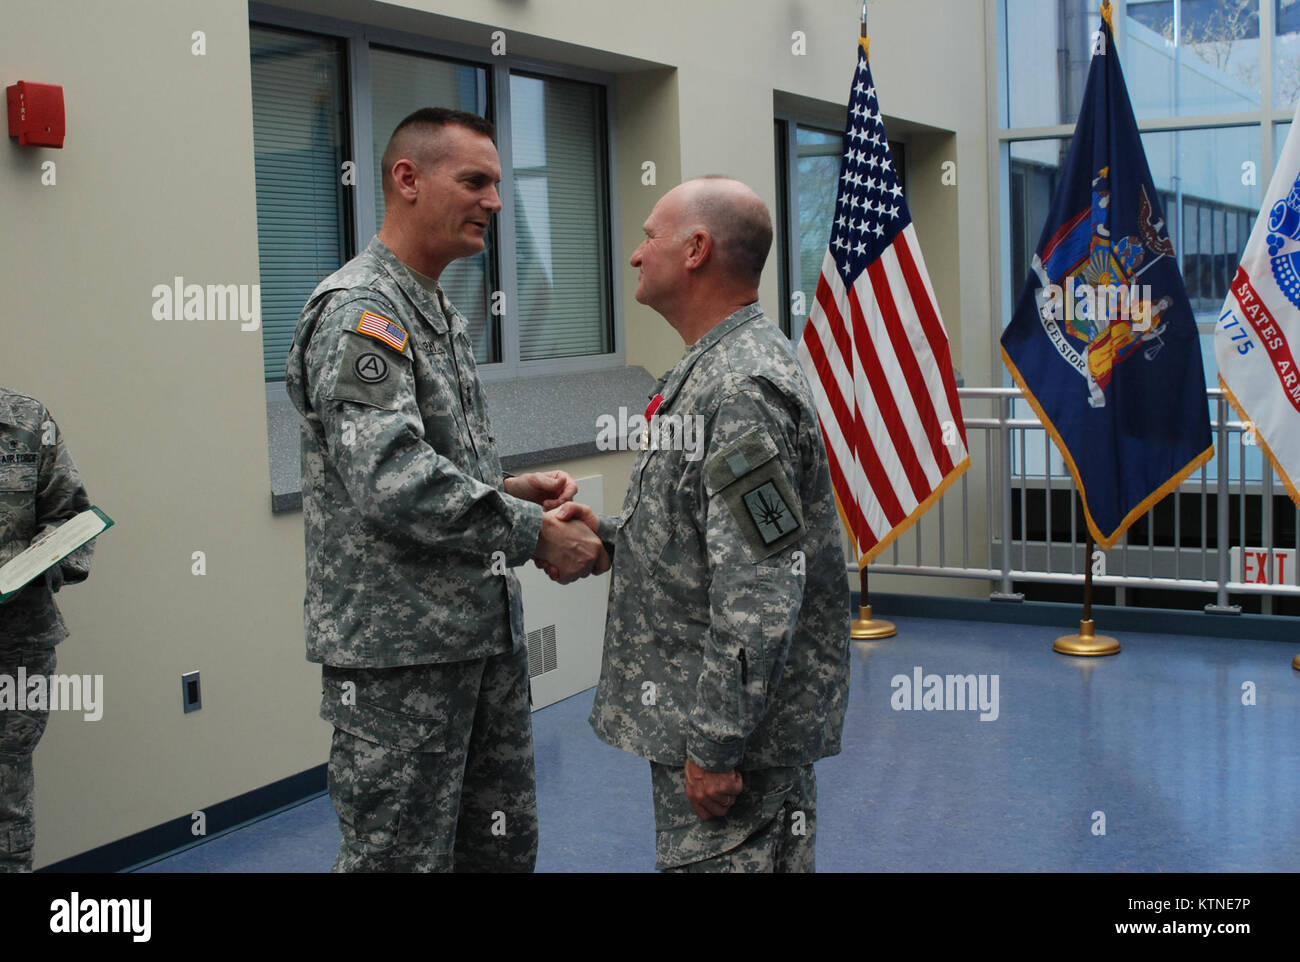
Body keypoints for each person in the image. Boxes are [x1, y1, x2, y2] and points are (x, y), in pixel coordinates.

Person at [285, 107, 607, 873]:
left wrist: (510, 489)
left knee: (496, 851)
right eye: (476, 181)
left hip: (476, 641)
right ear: (407, 180)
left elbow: (428, 465)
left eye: (498, 183)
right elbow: (391, 479)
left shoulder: (435, 308)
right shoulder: (363, 312)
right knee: (400, 859)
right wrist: (531, 530)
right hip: (402, 661)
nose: (496, 201)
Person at [547, 177, 850, 872]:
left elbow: (762, 585)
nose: (634, 255)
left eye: (649, 236)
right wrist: (612, 536)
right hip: (735, 723)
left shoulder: (739, 388)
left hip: (734, 742)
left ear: (695, 250)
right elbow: (712, 533)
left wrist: (716, 743)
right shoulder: (713, 368)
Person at [0, 387, 93, 872]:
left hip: (15, 646)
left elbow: (69, 513)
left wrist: (41, 560)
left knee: (6, 801)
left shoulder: (26, 420)